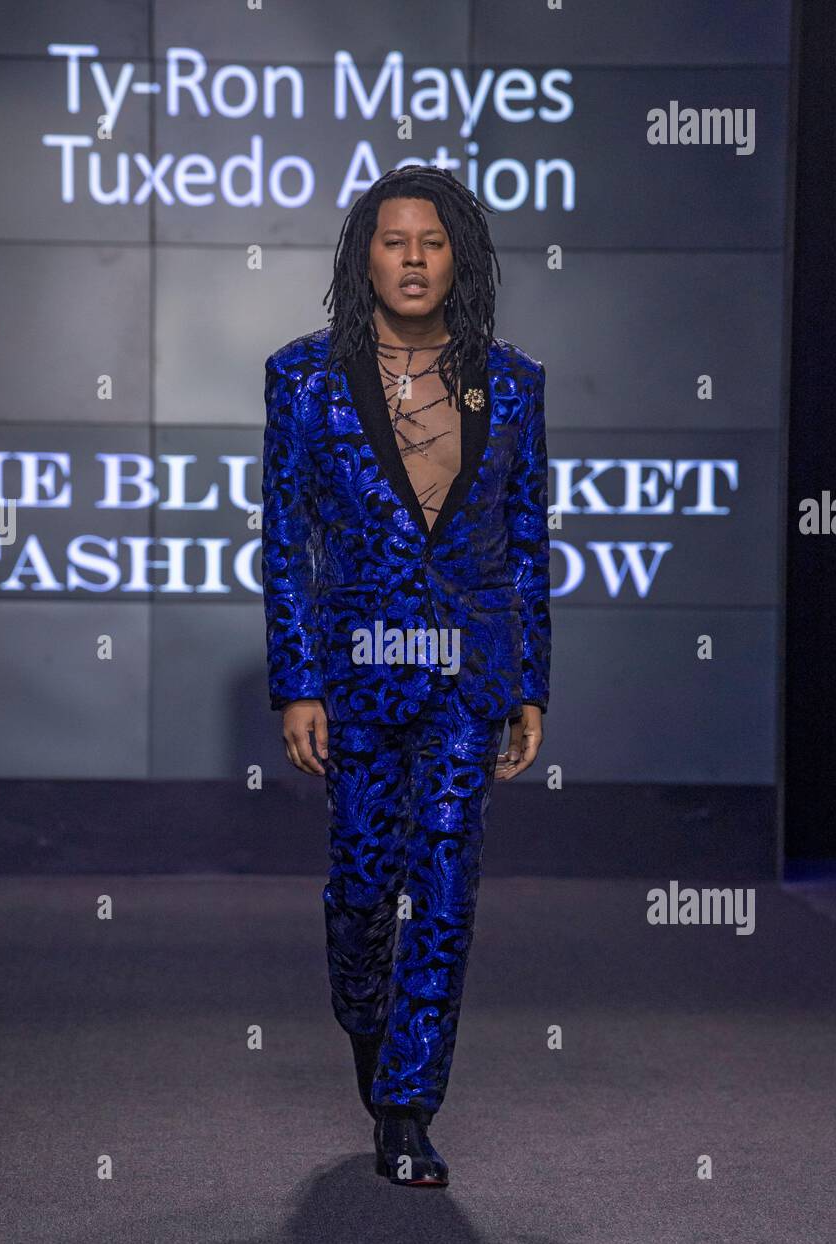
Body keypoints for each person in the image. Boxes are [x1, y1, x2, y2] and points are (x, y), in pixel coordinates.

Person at [261, 165, 550, 1186]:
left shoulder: (512, 382)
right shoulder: (302, 378)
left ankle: (408, 1107)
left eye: (433, 241)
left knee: (444, 884)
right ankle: (367, 1028)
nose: (415, 259)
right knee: (359, 891)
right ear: (365, 257)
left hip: (468, 678)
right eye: (395, 241)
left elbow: (525, 542)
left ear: (458, 257)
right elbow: (285, 542)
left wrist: (530, 683)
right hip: (355, 677)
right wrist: (297, 682)